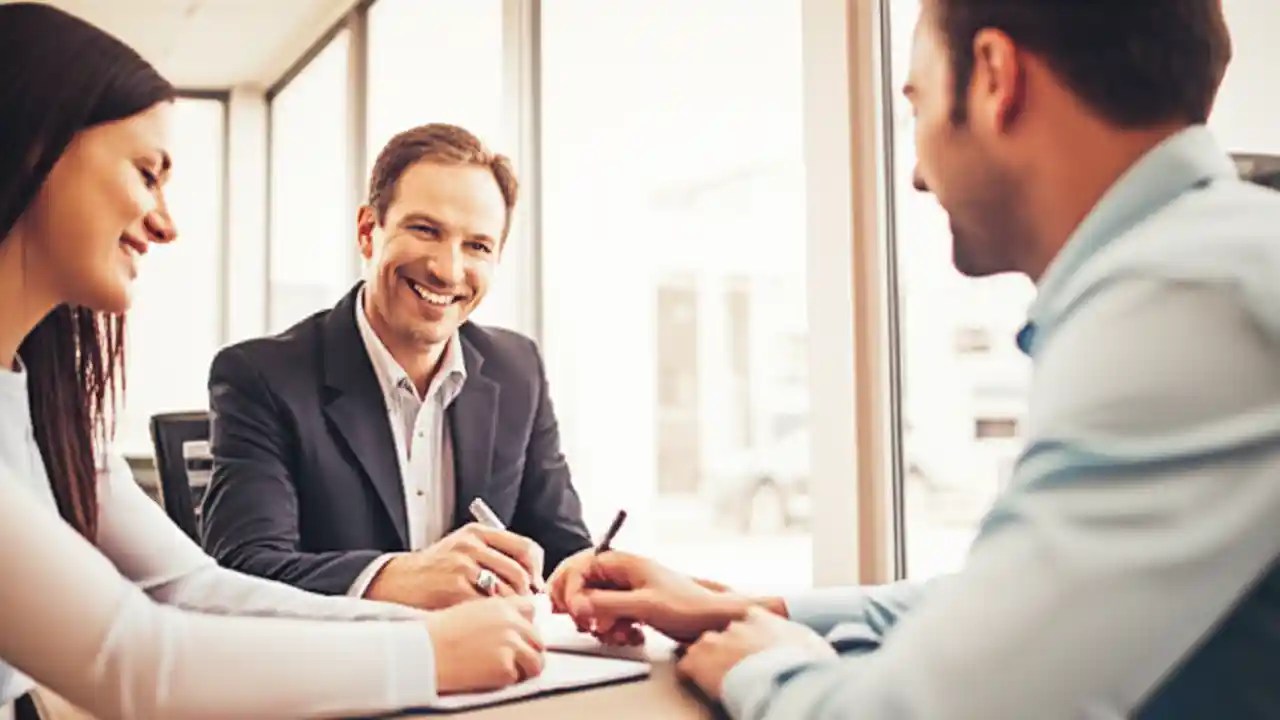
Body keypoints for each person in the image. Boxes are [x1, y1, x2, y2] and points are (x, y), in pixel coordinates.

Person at [549, 0, 1280, 717]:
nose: (918, 176)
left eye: (918, 105)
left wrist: (766, 667)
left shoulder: (1186, 295)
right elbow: (1012, 606)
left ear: (995, 76)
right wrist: (737, 608)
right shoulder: (1214, 259)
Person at [0, 6, 543, 718]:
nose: (166, 222)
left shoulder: (39, 404)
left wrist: (430, 629)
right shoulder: (262, 375)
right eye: (145, 173)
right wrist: (429, 652)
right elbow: (130, 660)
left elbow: (194, 589)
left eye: (479, 245)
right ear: (34, 146)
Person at [201, 124, 592, 608]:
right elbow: (243, 569)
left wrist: (586, 578)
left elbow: (561, 548)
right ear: (368, 232)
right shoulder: (261, 377)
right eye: (426, 230)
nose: (448, 271)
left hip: (492, 670)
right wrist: (400, 577)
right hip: (347, 672)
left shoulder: (518, 368)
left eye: (477, 246)